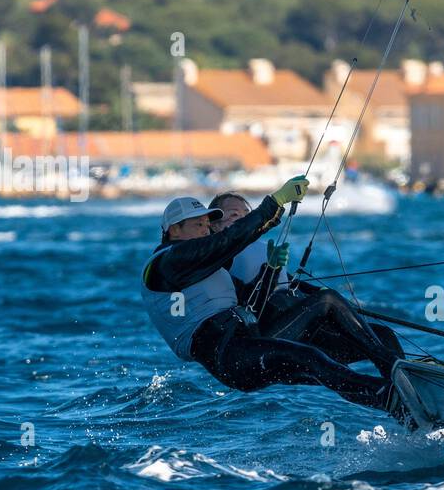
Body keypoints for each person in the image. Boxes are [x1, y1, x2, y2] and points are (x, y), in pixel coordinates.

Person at [140, 180, 411, 423]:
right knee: (315, 336)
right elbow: (226, 241)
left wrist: (270, 269)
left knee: (377, 337)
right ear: (174, 230)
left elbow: (252, 305)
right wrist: (274, 204)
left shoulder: (208, 271)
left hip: (251, 340)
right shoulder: (168, 262)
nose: (205, 230)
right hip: (229, 357)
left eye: (206, 224)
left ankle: (410, 391)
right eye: (198, 224)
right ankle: (391, 398)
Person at [207, 191, 406, 369]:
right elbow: (252, 302)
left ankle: (406, 384)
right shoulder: (219, 258)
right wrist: (272, 269)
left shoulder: (260, 247)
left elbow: (291, 285)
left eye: (247, 215)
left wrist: (337, 306)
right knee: (327, 299)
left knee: (384, 335)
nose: (243, 220)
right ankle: (388, 362)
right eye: (234, 215)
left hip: (301, 328)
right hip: (270, 338)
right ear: (215, 226)